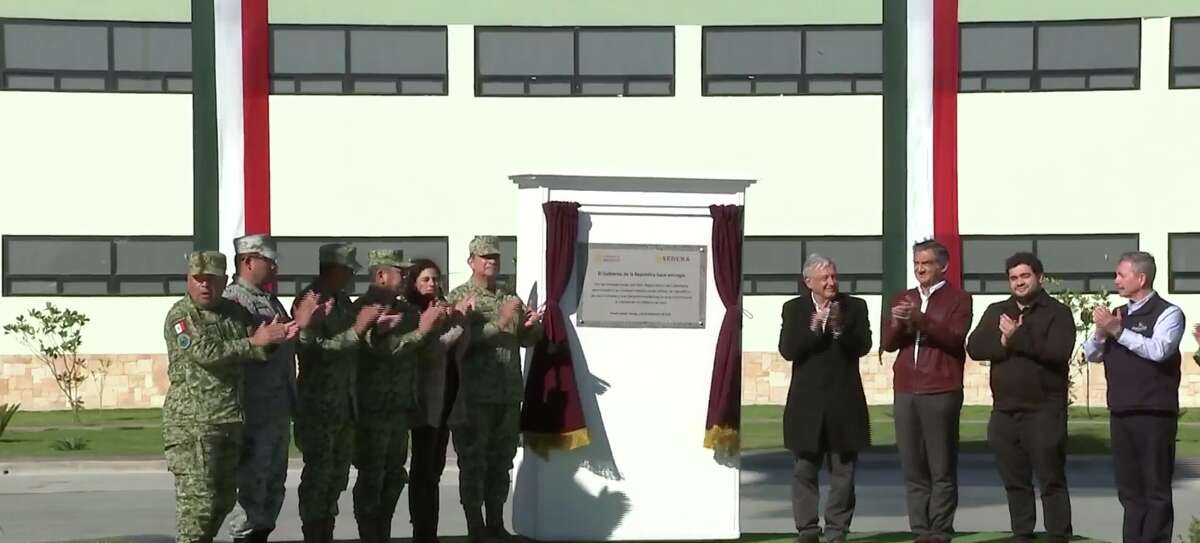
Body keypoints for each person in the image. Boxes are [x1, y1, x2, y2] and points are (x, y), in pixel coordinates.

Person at [162, 250, 297, 543]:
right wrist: (254, 341)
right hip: (193, 427)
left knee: (222, 502)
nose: (204, 286)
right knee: (197, 510)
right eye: (198, 279)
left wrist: (276, 338)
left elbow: (256, 350)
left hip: (229, 422)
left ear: (224, 281)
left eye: (211, 279)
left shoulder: (233, 313)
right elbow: (205, 353)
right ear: (188, 279)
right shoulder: (181, 315)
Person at [966, 252, 1074, 542]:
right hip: (1004, 412)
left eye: (1025, 276)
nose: (1019, 282)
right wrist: (1003, 341)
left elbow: (1057, 353)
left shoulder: (1058, 313)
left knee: (1051, 479)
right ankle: (1022, 533)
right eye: (1013, 278)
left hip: (1044, 411)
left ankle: (1058, 535)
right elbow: (975, 346)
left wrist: (1017, 338)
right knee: (1015, 480)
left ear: (1039, 277)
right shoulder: (996, 310)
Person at [446, 235, 543, 543]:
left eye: (496, 257)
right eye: (485, 256)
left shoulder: (507, 296)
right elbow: (459, 342)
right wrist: (499, 323)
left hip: (507, 393)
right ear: (471, 261)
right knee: (474, 463)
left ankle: (496, 523)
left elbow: (526, 341)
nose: (491, 261)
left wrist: (531, 326)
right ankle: (475, 526)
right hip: (474, 395)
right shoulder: (459, 297)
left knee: (501, 462)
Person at [1084, 251, 1185, 543]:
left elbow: (1159, 350)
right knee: (1129, 491)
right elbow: (1091, 355)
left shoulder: (1169, 313)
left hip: (1154, 413)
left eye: (1121, 275)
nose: (1116, 281)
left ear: (1141, 278)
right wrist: (1102, 333)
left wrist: (1118, 330)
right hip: (1121, 412)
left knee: (1155, 490)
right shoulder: (1117, 313)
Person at [880, 239, 972, 543]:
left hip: (941, 388)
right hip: (906, 389)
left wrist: (921, 319)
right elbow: (888, 343)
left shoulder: (959, 299)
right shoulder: (903, 297)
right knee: (912, 464)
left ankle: (940, 528)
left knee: (941, 464)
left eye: (927, 263)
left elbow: (955, 338)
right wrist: (897, 323)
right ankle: (919, 528)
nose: (920, 268)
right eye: (917, 263)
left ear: (943, 266)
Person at [353, 249, 447, 543]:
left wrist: (435, 326)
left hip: (399, 410)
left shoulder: (405, 310)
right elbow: (385, 351)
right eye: (399, 271)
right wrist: (422, 331)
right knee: (372, 478)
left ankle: (384, 532)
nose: (405, 276)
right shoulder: (363, 309)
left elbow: (422, 348)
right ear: (381, 275)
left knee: (394, 478)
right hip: (373, 410)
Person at [777, 253, 872, 543]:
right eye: (824, 278)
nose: (831, 282)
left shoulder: (854, 306)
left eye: (833, 276)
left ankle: (837, 530)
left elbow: (864, 345)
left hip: (844, 404)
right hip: (807, 407)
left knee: (843, 473)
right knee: (804, 469)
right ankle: (807, 529)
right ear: (809, 282)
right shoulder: (794, 309)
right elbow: (789, 350)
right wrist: (815, 328)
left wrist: (839, 330)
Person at [295, 243, 383, 543]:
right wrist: (357, 330)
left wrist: (372, 327)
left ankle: (325, 533)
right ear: (333, 269)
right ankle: (313, 535)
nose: (350, 276)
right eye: (347, 270)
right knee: (318, 479)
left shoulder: (343, 301)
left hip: (345, 405)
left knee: (336, 479)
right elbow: (311, 352)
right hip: (319, 406)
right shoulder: (310, 300)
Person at [224, 234, 309, 543]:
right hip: (254, 409)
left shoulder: (268, 300)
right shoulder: (236, 300)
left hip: (276, 408)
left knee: (273, 487)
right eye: (268, 261)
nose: (274, 267)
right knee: (251, 489)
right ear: (248, 261)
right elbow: (243, 351)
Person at [405, 259, 472, 543]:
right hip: (423, 400)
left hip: (447, 397)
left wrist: (456, 321)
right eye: (425, 280)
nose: (432, 284)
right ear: (414, 284)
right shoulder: (412, 312)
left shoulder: (443, 309)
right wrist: (458, 324)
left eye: (435, 279)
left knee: (435, 470)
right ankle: (422, 531)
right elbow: (429, 350)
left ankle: (430, 531)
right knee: (422, 471)